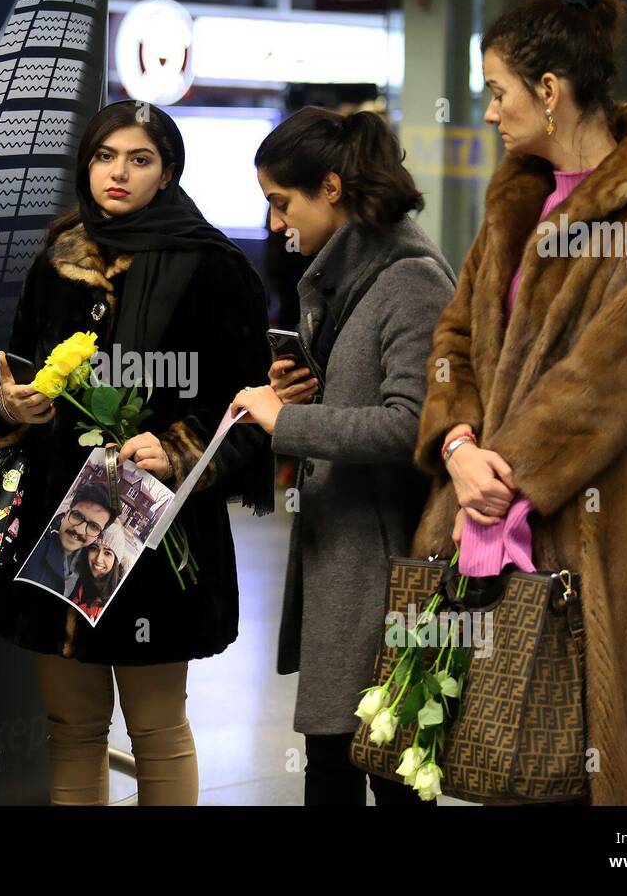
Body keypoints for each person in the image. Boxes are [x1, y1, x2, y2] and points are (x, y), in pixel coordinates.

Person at [410, 0, 627, 805]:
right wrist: (458, 444)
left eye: (498, 92)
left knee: (595, 782)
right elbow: (454, 340)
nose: (490, 113)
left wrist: (498, 471)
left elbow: (606, 386)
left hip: (612, 543)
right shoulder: (513, 202)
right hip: (491, 518)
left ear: (550, 91)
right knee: (502, 766)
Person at [0, 100, 274, 806]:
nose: (119, 172)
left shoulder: (213, 265)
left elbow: (249, 403)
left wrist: (179, 448)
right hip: (62, 513)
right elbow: (18, 374)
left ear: (167, 172)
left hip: (158, 517)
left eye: (139, 159)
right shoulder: (58, 256)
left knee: (157, 727)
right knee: (71, 725)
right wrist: (11, 408)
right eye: (105, 156)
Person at [230, 107, 455, 806]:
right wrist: (303, 392)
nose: (275, 224)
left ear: (331, 188)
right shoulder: (345, 276)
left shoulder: (410, 278)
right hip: (348, 561)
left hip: (386, 571)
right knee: (331, 757)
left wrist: (289, 420)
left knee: (376, 769)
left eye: (280, 203)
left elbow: (413, 427)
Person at [21, 486, 117, 596]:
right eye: (77, 516)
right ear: (66, 513)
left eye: (94, 527)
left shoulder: (88, 568)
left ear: (98, 536)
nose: (79, 530)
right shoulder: (38, 544)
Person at [69, 523, 128, 622]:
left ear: (115, 562)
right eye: (94, 549)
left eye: (107, 553)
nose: (98, 559)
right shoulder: (76, 575)